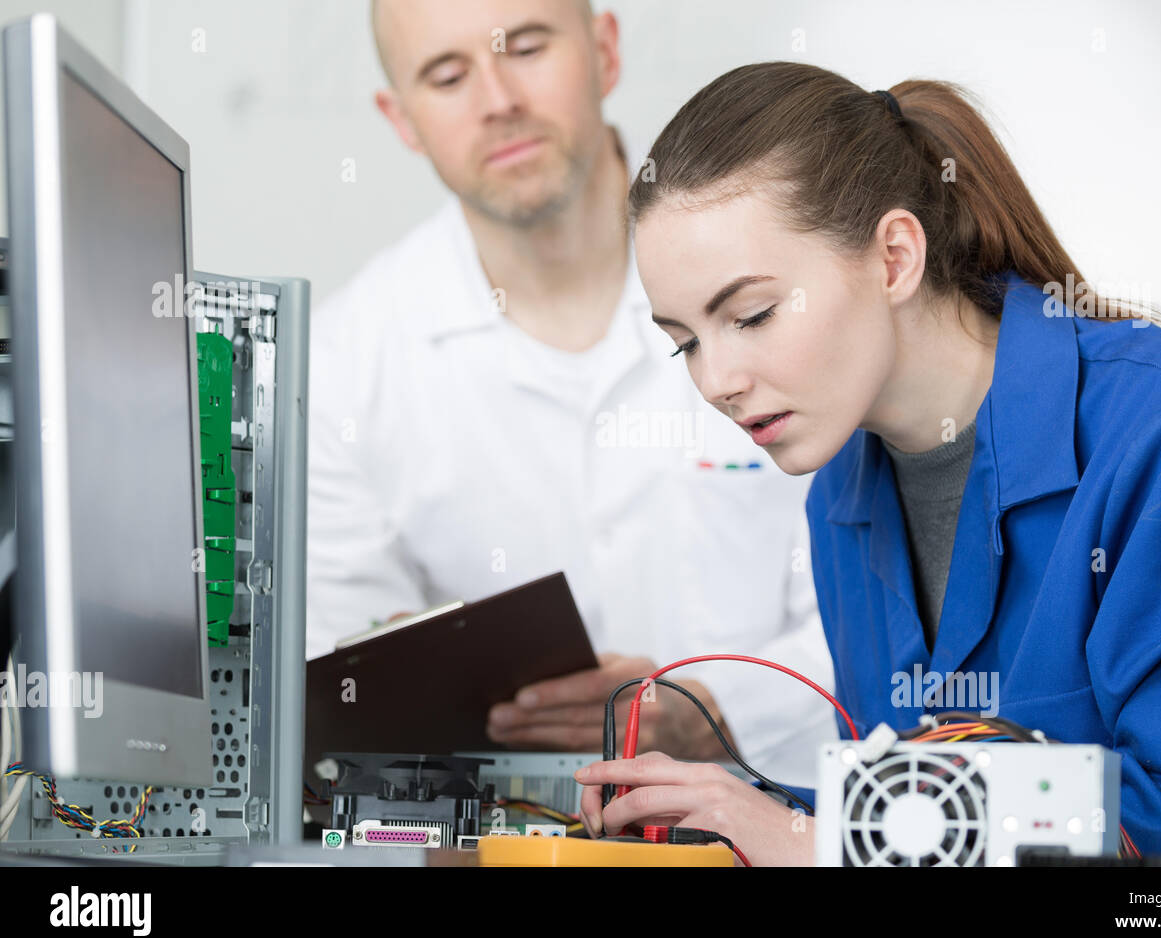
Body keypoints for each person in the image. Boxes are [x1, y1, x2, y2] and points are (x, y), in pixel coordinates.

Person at [576, 62, 1161, 866]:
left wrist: (816, 841)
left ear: (893, 257)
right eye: (684, 344)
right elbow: (915, 798)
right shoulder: (841, 494)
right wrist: (730, 813)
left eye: (751, 315)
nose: (716, 382)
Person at [306, 2, 837, 786]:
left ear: (604, 50)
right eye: (447, 76)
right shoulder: (344, 364)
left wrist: (711, 712)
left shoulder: (782, 276)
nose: (497, 99)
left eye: (524, 47)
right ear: (402, 118)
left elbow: (885, 610)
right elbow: (349, 690)